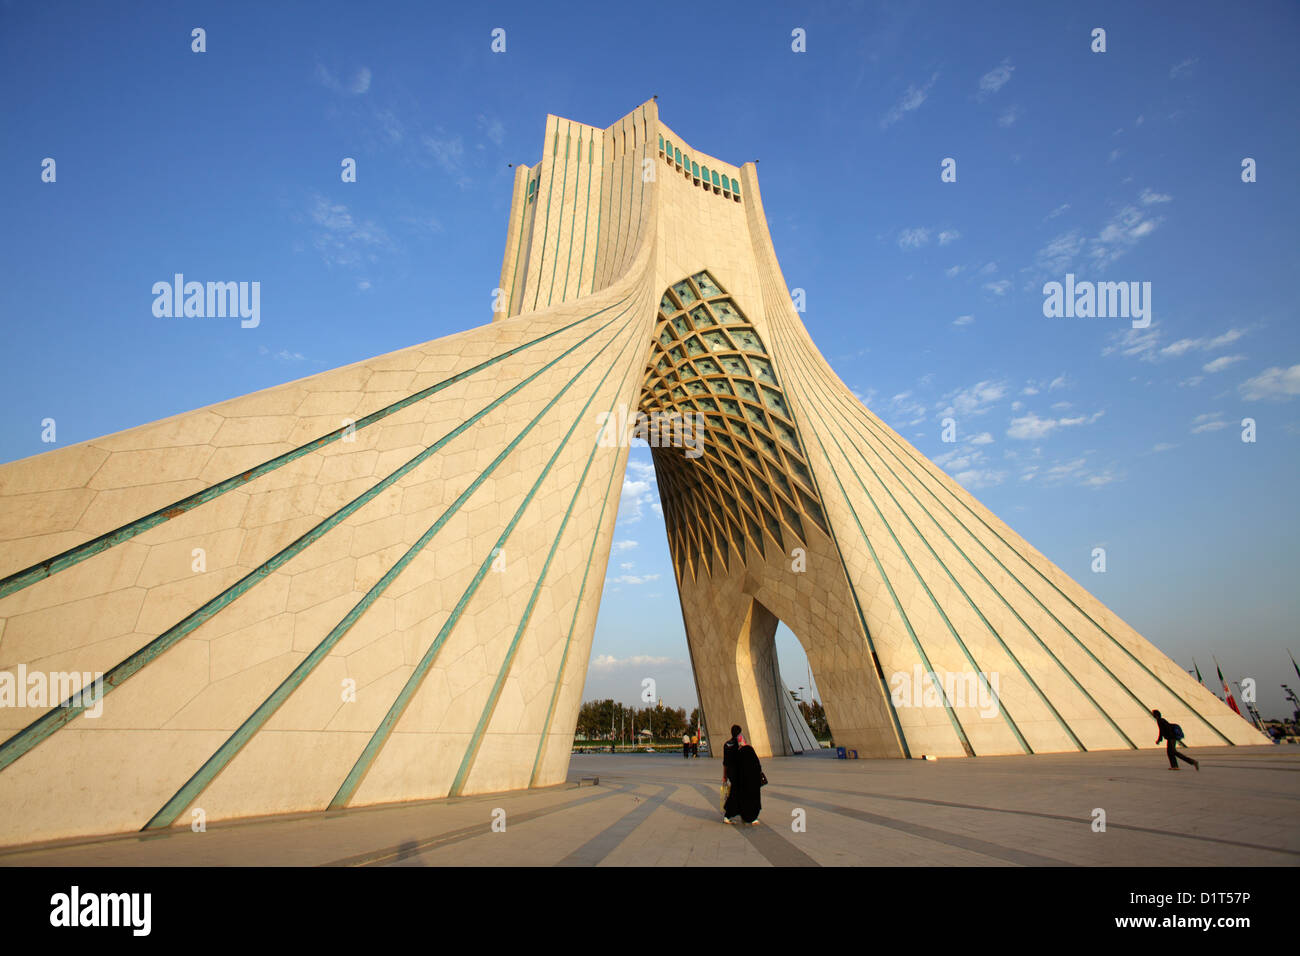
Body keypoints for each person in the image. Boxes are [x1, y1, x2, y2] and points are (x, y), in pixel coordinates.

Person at [721, 724, 764, 825]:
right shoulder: (740, 745)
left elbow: (725, 763)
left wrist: (724, 776)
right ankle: (748, 816)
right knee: (745, 794)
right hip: (741, 773)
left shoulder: (726, 744)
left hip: (731, 773)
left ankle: (730, 815)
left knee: (735, 793)